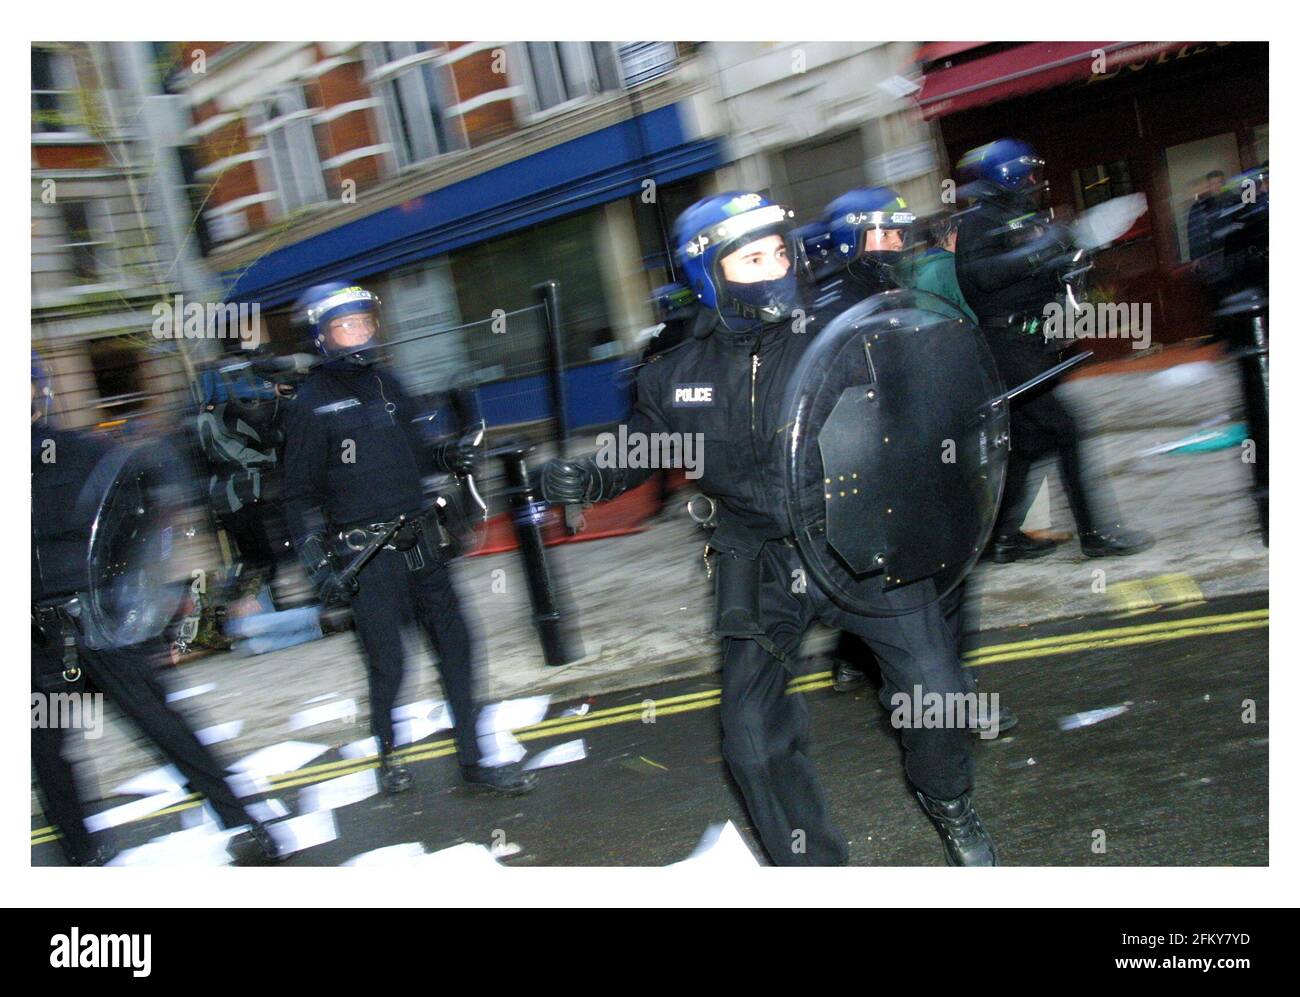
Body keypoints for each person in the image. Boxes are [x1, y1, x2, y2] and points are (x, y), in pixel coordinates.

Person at [537, 192, 998, 866]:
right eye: (753, 258)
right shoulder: (676, 374)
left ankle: (948, 796)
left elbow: (926, 404)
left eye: (779, 251)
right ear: (711, 274)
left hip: (859, 538)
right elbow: (648, 445)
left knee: (940, 697)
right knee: (751, 738)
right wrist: (588, 476)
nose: (776, 266)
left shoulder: (840, 332)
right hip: (756, 558)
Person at [282, 283, 536, 797]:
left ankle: (475, 761)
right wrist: (315, 563)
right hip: (366, 556)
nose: (360, 333)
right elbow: (295, 496)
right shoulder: (310, 404)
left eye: (365, 322)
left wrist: (451, 458)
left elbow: (420, 455)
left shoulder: (388, 383)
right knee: (390, 665)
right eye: (346, 325)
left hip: (423, 544)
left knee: (459, 649)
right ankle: (388, 753)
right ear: (323, 336)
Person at [30, 352, 281, 866]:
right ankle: (81, 854)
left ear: (40, 392)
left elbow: (139, 526)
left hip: (97, 627)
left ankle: (242, 822)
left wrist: (144, 610)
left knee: (165, 729)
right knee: (47, 754)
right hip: (33, 639)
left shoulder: (82, 453)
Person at [955, 138, 1153, 562]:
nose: (1034, 181)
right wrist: (1041, 250)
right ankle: (1095, 534)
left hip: (1032, 340)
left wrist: (1065, 261)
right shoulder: (979, 220)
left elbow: (1035, 272)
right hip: (1005, 344)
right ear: (1008, 175)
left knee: (1029, 444)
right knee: (1068, 429)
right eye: (1028, 173)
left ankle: (1002, 539)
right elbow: (982, 277)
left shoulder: (1020, 215)